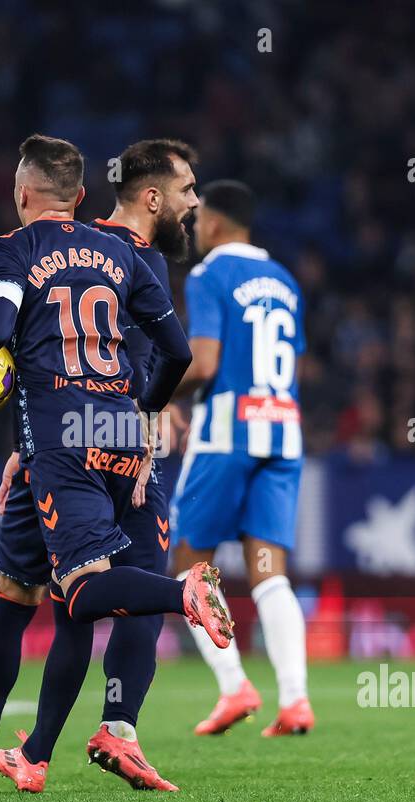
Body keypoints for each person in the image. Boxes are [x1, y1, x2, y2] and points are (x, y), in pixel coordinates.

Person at [0, 134, 231, 793]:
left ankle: (184, 593)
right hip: (111, 433)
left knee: (77, 594)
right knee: (23, 596)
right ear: (80, 195)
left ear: (21, 193)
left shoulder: (12, 248)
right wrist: (139, 411)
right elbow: (175, 352)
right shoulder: (122, 253)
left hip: (60, 440)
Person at [167, 180, 315, 737]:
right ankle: (296, 701)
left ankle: (234, 687)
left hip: (228, 432)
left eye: (198, 216)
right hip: (282, 431)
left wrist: (151, 396)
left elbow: (204, 364)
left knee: (188, 567)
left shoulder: (210, 276)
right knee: (269, 572)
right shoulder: (286, 281)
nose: (194, 225)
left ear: (216, 223)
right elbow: (294, 371)